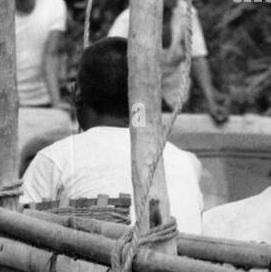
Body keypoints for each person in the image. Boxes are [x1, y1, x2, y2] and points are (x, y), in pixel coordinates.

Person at [20, 37, 208, 234]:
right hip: (180, 263)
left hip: (105, 262)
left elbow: (15, 237)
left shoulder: (54, 160)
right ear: (143, 98)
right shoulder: (185, 161)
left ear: (75, 93)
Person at [107, 0, 228, 122]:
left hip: (175, 86)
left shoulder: (187, 13)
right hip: (139, 87)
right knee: (140, 128)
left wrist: (210, 100)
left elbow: (198, 57)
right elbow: (110, 59)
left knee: (177, 129)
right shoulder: (129, 19)